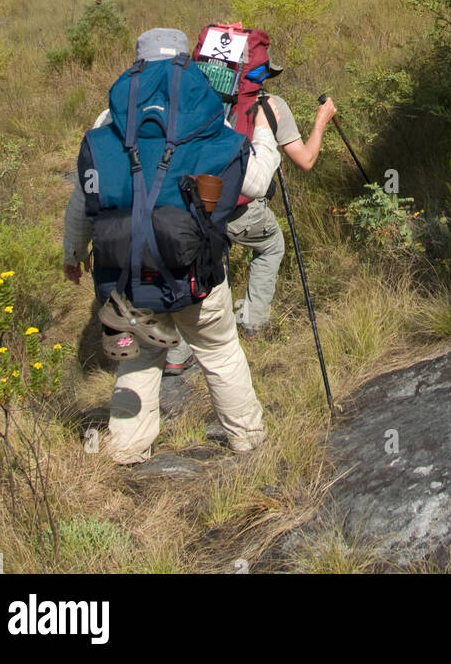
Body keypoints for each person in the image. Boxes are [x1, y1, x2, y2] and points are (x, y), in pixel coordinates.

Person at [63, 28, 281, 466]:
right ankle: (248, 441)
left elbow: (84, 200)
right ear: (185, 60)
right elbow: (255, 181)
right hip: (193, 267)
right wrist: (263, 133)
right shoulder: (204, 111)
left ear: (137, 62)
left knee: (139, 355)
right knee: (219, 351)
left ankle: (126, 448)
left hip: (127, 269)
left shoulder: (110, 119)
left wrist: (73, 253)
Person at [164, 55, 338, 374]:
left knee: (204, 262)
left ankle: (178, 353)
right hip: (240, 209)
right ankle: (253, 324)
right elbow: (306, 160)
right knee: (271, 244)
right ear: (261, 76)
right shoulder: (270, 105)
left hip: (192, 207)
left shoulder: (193, 102)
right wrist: (322, 119)